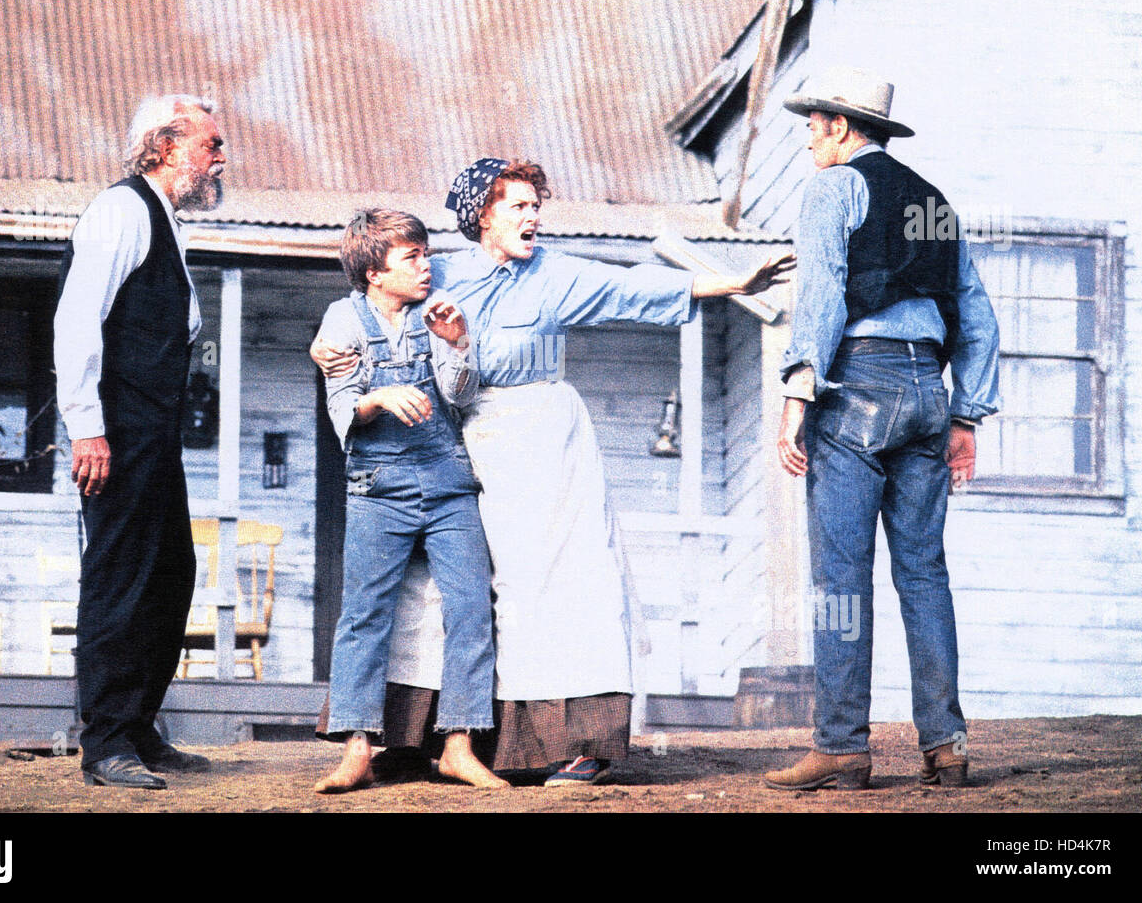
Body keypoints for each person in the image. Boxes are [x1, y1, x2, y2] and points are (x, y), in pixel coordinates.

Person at [315, 159, 793, 785]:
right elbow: (366, 294)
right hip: (459, 444)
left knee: (564, 584)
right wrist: (327, 342)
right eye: (517, 206)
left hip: (545, 442)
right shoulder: (437, 270)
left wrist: (732, 283)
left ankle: (579, 742)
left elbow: (636, 288)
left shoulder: (557, 274)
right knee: (435, 591)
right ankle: (417, 738)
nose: (532, 215)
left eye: (536, 205)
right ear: (481, 215)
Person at [765, 66, 1000, 791]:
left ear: (839, 126)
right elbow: (978, 315)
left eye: (812, 128)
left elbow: (823, 291)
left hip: (858, 385)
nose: (808, 142)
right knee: (924, 573)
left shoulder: (833, 187)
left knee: (841, 575)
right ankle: (947, 745)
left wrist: (798, 393)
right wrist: (966, 413)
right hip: (929, 389)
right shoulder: (933, 202)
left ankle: (840, 746)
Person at [54, 94, 225, 789]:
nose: (221, 157)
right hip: (117, 431)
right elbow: (76, 322)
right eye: (211, 144)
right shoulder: (121, 210)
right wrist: (87, 427)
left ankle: (139, 727)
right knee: (120, 578)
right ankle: (105, 744)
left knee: (169, 573)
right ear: (164, 145)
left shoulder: (166, 223)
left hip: (152, 435)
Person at [312, 208, 507, 793]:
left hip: (448, 482)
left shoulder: (439, 310)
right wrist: (380, 397)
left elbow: (459, 396)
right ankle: (355, 749)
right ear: (375, 272)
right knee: (365, 616)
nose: (427, 267)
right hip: (379, 487)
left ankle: (458, 745)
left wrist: (459, 344)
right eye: (412, 258)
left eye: (426, 255)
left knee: (471, 608)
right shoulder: (340, 320)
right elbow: (342, 405)